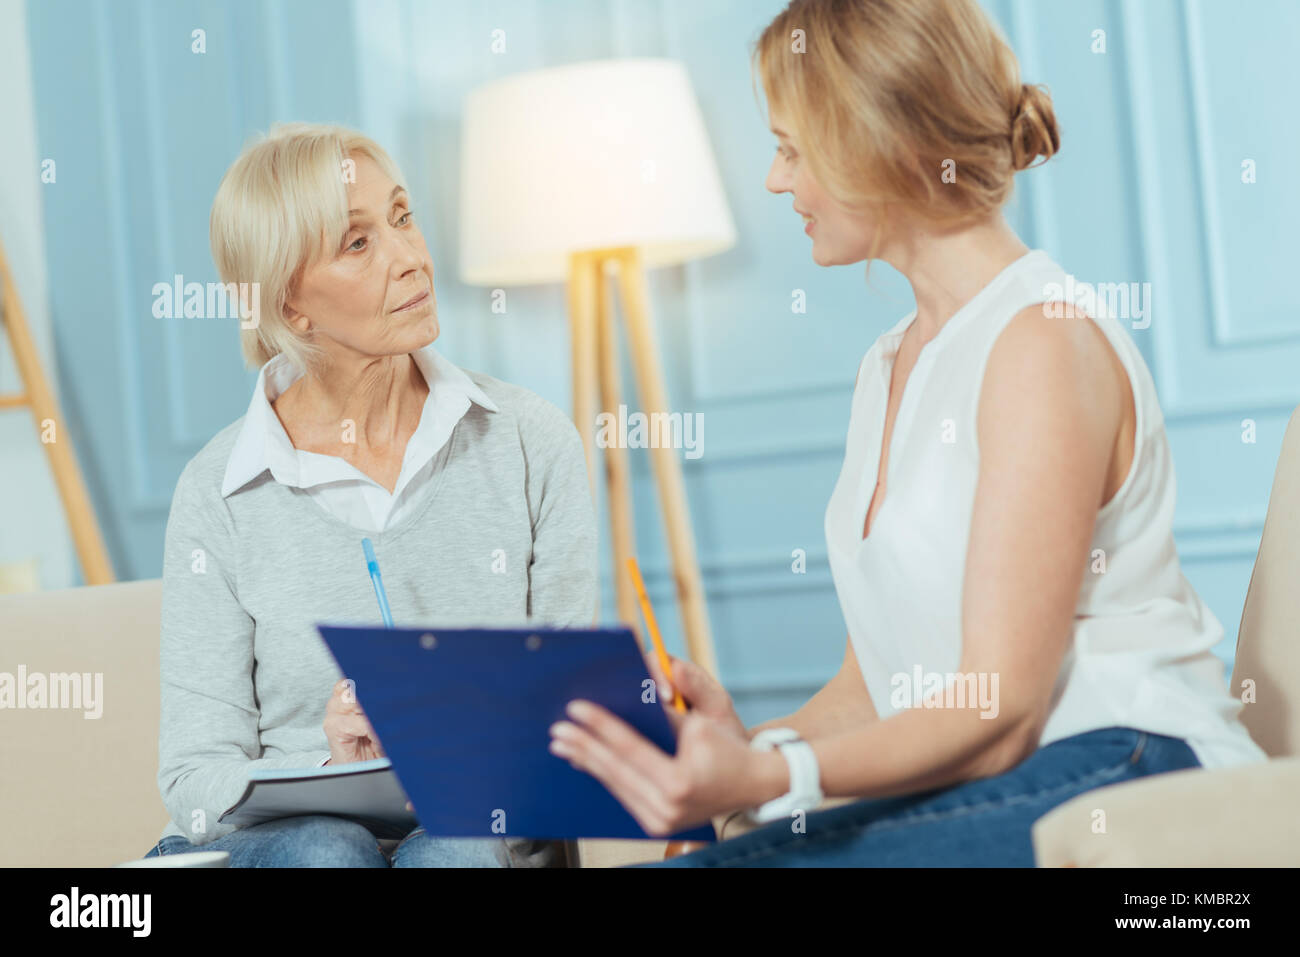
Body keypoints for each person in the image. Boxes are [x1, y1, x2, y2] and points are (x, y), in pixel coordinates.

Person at [546, 0, 1266, 867]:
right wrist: (747, 749)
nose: (778, 181)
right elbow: (871, 685)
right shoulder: (889, 363)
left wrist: (766, 777)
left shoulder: (1041, 338)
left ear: (874, 144)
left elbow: (998, 713)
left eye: (791, 149)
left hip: (1131, 767)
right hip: (1010, 781)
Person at [144, 123, 597, 867]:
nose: (412, 258)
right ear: (291, 305)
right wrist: (334, 774)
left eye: (402, 217)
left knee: (454, 849)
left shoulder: (530, 441)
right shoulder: (217, 490)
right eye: (358, 243)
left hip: (480, 824)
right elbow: (194, 782)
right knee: (328, 847)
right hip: (291, 848)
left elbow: (568, 733)